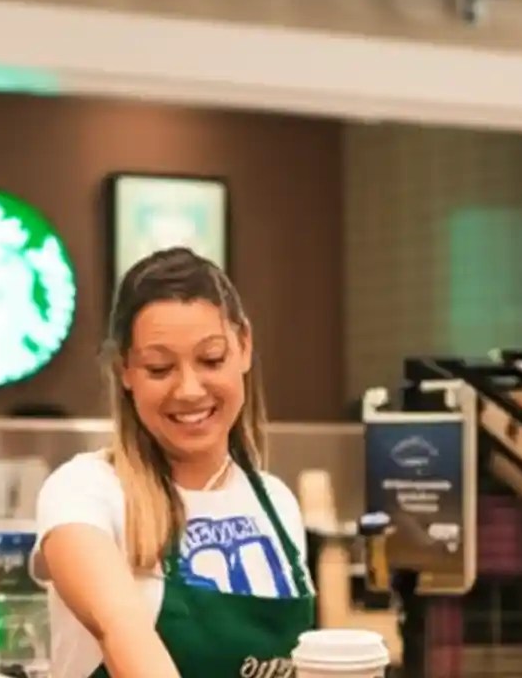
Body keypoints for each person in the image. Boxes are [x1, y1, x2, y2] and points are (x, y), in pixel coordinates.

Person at [34, 247, 314, 677]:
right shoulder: (85, 491)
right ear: (125, 369)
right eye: (160, 368)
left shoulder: (277, 503)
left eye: (211, 359)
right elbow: (121, 627)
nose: (188, 389)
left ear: (243, 346)